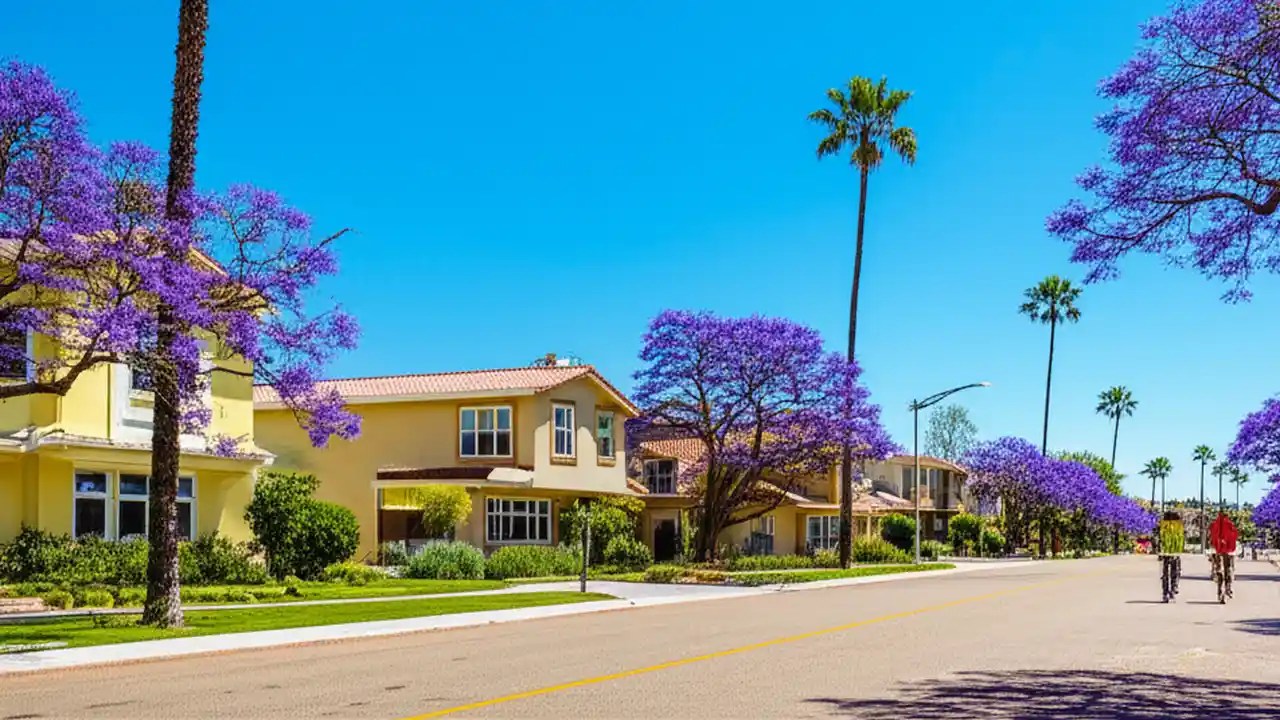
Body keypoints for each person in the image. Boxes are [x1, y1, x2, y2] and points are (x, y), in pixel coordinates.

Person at [1208, 512, 1238, 602]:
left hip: (1218, 551)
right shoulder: (1230, 525)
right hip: (1228, 552)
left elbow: (1211, 538)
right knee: (1228, 570)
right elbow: (1235, 536)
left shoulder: (1214, 524)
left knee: (1219, 571)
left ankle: (1220, 592)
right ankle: (1227, 589)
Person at [1157, 511, 1184, 602]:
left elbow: (1159, 539)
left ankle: (1165, 593)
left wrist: (1159, 552)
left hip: (1165, 553)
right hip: (1174, 552)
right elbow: (1181, 538)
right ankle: (1172, 589)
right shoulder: (1178, 526)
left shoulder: (1162, 525)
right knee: (1175, 571)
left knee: (1165, 573)